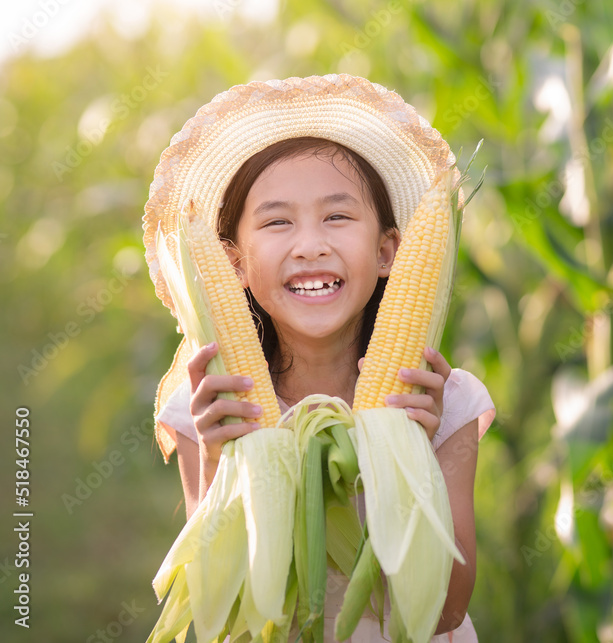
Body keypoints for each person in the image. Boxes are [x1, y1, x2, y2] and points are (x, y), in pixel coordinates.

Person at [142, 75, 496, 642]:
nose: (310, 244)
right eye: (277, 222)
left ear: (388, 252)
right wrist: (216, 457)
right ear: (234, 265)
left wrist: (416, 453)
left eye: (337, 217)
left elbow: (446, 611)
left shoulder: (443, 400)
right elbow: (220, 604)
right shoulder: (209, 405)